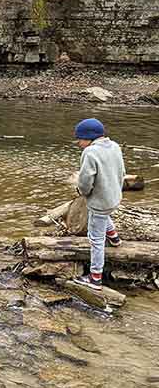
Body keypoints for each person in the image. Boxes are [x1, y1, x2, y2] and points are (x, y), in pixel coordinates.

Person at [72, 118, 125, 290]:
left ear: (89, 137)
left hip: (100, 202)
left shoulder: (90, 152)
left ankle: (95, 278)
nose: (78, 142)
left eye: (79, 138)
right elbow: (122, 172)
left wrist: (82, 192)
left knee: (96, 239)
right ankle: (115, 238)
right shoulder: (115, 146)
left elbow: (86, 180)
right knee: (103, 215)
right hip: (114, 196)